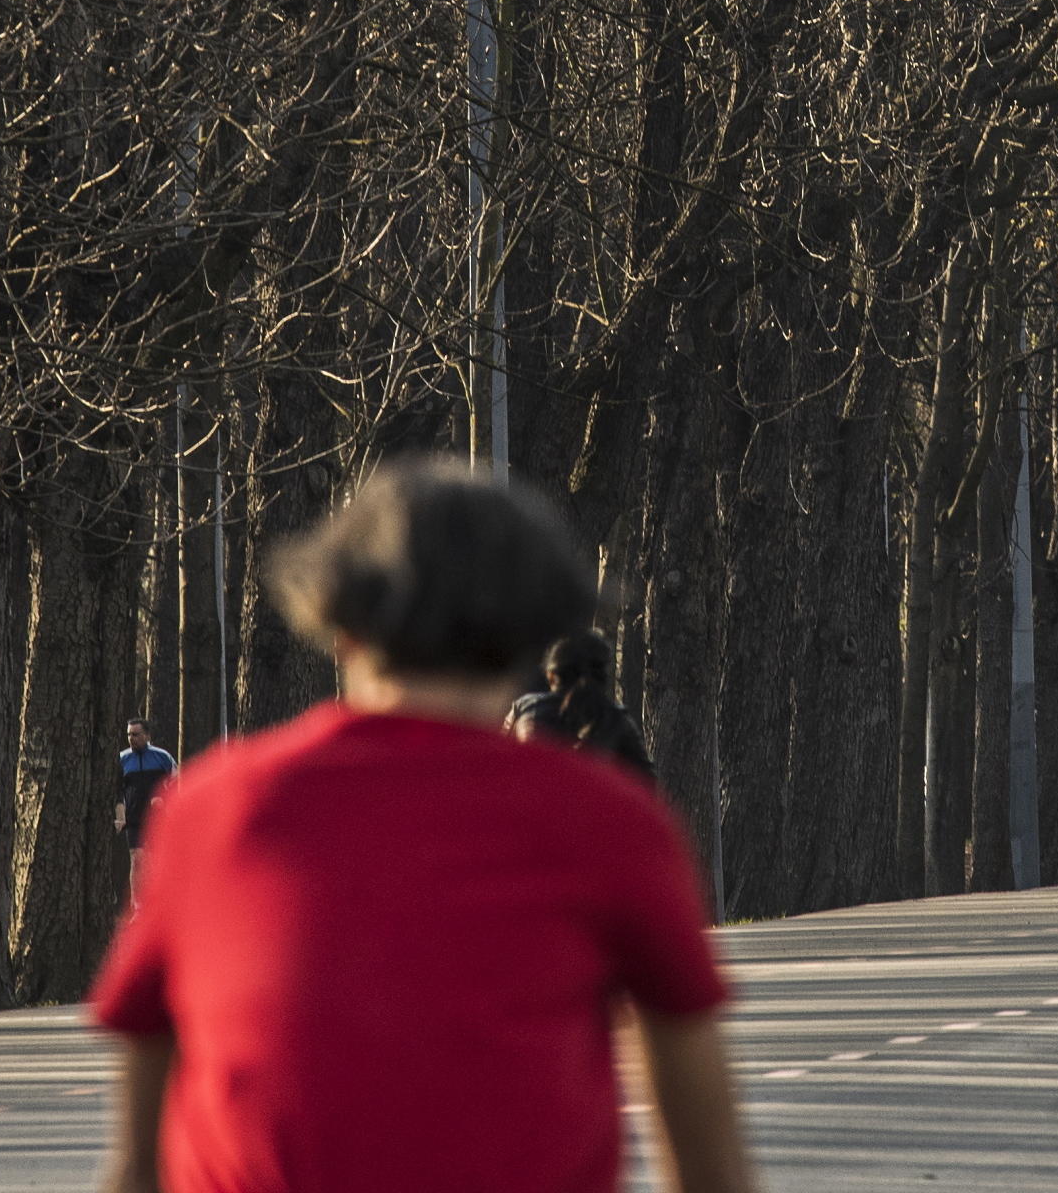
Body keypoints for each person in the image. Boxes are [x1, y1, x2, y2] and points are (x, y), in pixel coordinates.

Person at [88, 458, 752, 1193]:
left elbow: (139, 1152)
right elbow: (709, 1158)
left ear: (339, 625)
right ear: (533, 633)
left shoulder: (215, 809)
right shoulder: (608, 822)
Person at [508, 630, 655, 781]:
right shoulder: (616, 720)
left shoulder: (527, 708)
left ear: (551, 676)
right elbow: (647, 786)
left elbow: (498, 763)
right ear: (602, 676)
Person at [116, 720, 177, 892]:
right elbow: (117, 789)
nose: (131, 738)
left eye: (135, 734)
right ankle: (138, 906)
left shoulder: (162, 757)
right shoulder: (122, 759)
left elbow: (176, 781)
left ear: (147, 736)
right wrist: (120, 814)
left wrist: (164, 798)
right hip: (134, 817)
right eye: (129, 734)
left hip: (158, 816)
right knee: (137, 859)